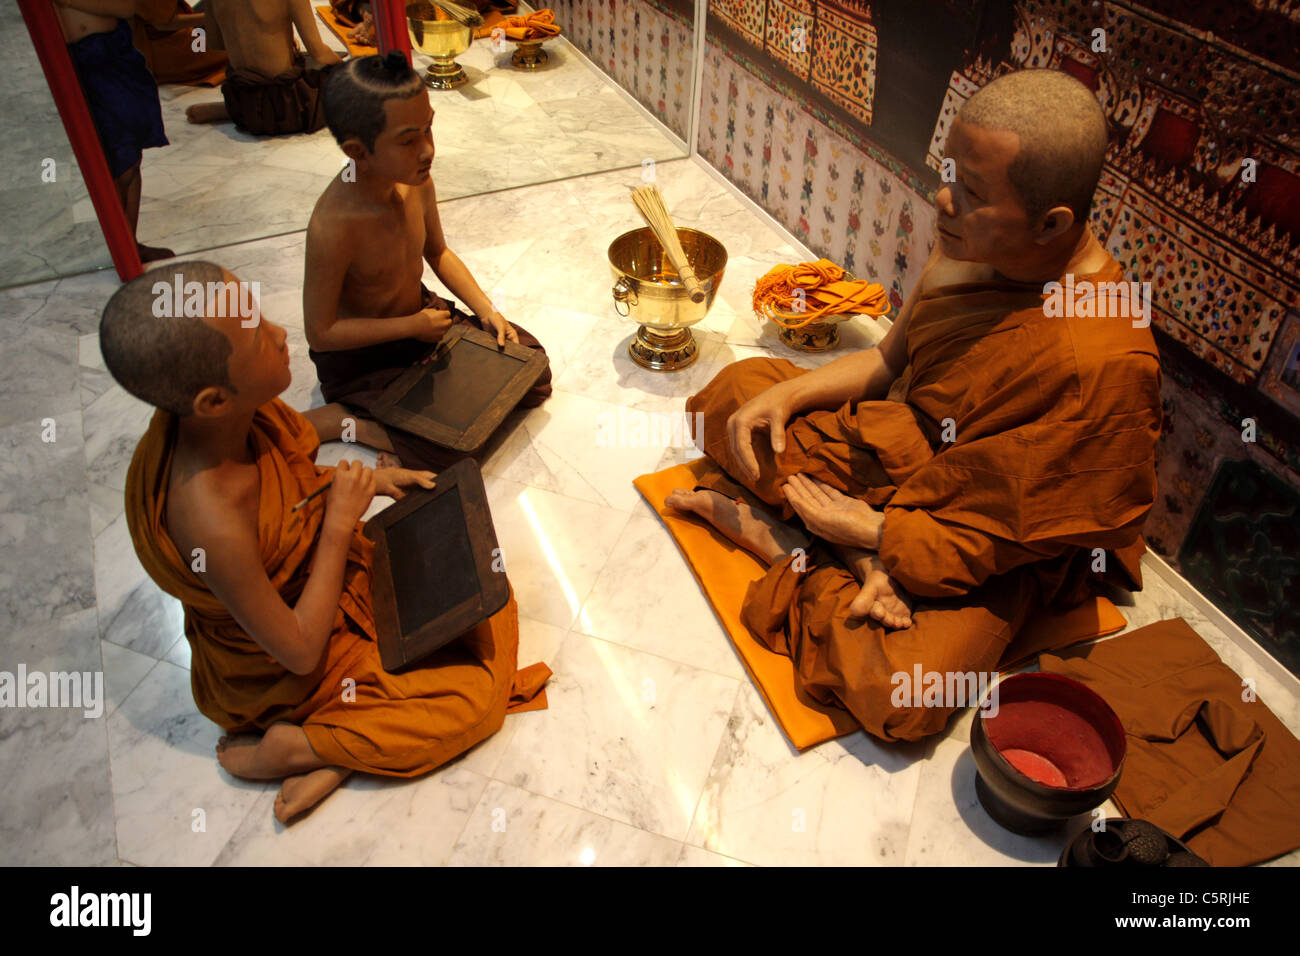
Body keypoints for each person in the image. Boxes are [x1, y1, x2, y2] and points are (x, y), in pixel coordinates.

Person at [668, 69, 1163, 744]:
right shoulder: (972, 243)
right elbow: (885, 360)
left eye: (972, 192)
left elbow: (1023, 530)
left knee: (908, 694)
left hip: (985, 538)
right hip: (899, 449)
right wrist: (792, 391)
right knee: (731, 399)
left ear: (1052, 223)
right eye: (949, 174)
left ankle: (780, 541)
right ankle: (849, 563)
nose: (943, 199)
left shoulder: (1106, 359)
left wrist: (875, 535)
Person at [106, 261, 550, 822]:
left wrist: (374, 481)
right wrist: (340, 523)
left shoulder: (232, 416)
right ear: (215, 400)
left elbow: (298, 446)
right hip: (281, 669)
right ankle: (307, 747)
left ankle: (343, 746)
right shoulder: (209, 522)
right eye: (257, 337)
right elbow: (297, 650)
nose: (278, 333)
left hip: (325, 573)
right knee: (473, 696)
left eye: (261, 316)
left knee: (485, 590)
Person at [301, 52, 553, 470]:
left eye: (429, 129)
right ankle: (345, 422)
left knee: (532, 370)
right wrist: (411, 326)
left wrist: (485, 310)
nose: (427, 151)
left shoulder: (416, 182)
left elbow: (437, 252)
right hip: (365, 358)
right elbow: (322, 332)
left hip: (422, 324)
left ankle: (410, 425)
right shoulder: (333, 225)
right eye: (407, 140)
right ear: (357, 151)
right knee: (455, 450)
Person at [55, 0, 177, 262]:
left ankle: (128, 243)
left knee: (131, 156)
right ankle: (120, 245)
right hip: (76, 60)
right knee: (111, 158)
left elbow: (126, 8)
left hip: (112, 53)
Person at [183, 0, 343, 134]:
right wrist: (345, 69)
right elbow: (319, 53)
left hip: (239, 99)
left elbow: (216, 44)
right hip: (287, 107)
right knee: (339, 79)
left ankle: (229, 111)